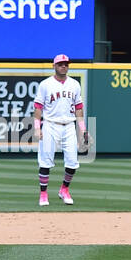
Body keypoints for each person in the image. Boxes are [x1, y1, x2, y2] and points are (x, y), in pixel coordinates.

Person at [34, 54, 85, 205]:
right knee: (45, 160)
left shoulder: (75, 84)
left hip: (69, 126)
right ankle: (43, 194)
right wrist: (37, 128)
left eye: (66, 64)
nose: (64, 66)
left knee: (72, 162)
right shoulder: (45, 84)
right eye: (60, 64)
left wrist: (82, 129)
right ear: (54, 66)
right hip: (50, 124)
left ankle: (64, 189)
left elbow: (79, 108)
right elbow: (38, 107)